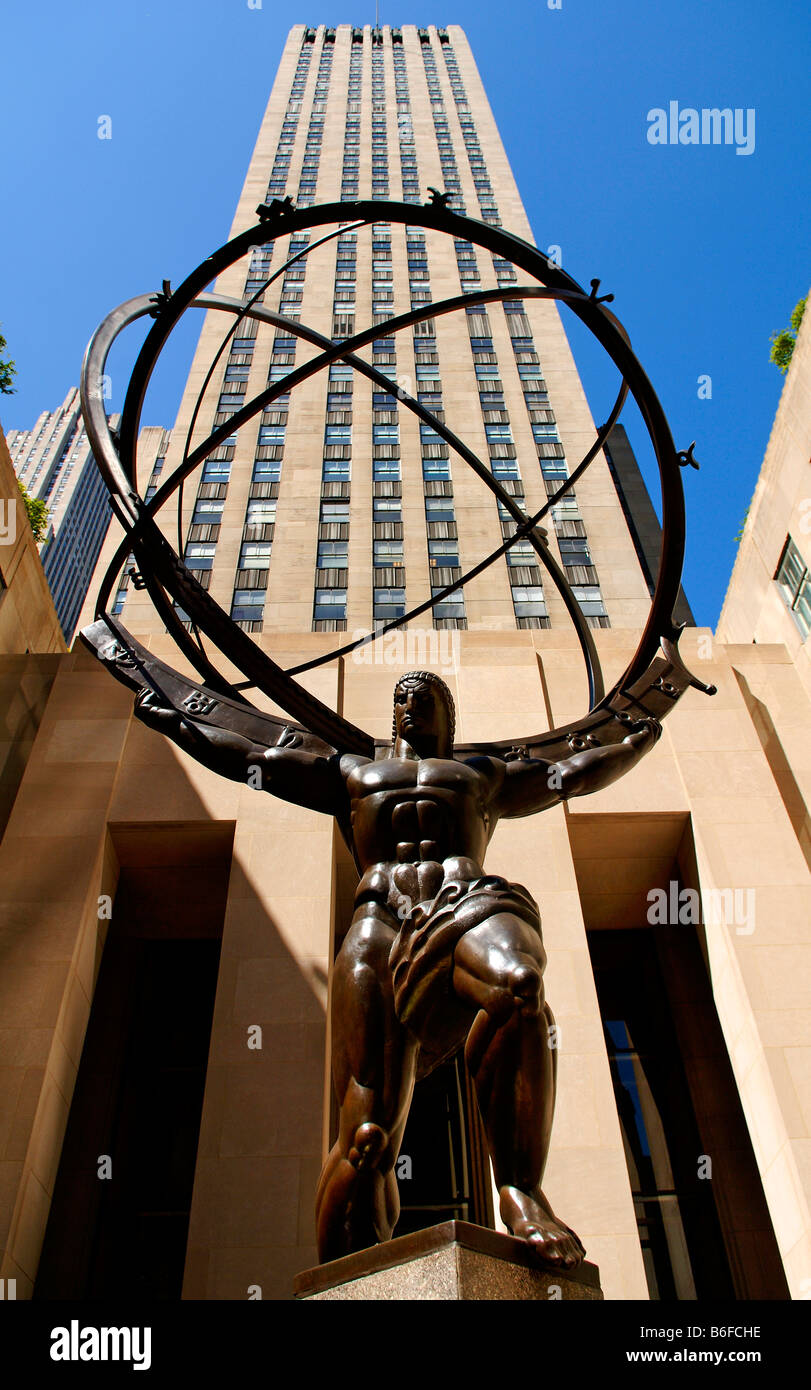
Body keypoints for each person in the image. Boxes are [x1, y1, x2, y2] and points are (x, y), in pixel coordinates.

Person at [135, 669, 660, 1267]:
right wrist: (178, 721)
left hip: (461, 907)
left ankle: (519, 1189)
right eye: (402, 698)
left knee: (518, 982)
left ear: (448, 716)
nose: (410, 706)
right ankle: (344, 1271)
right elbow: (253, 754)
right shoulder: (351, 771)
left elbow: (569, 772)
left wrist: (637, 739)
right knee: (366, 1137)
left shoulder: (479, 775)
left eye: (425, 698)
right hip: (379, 924)